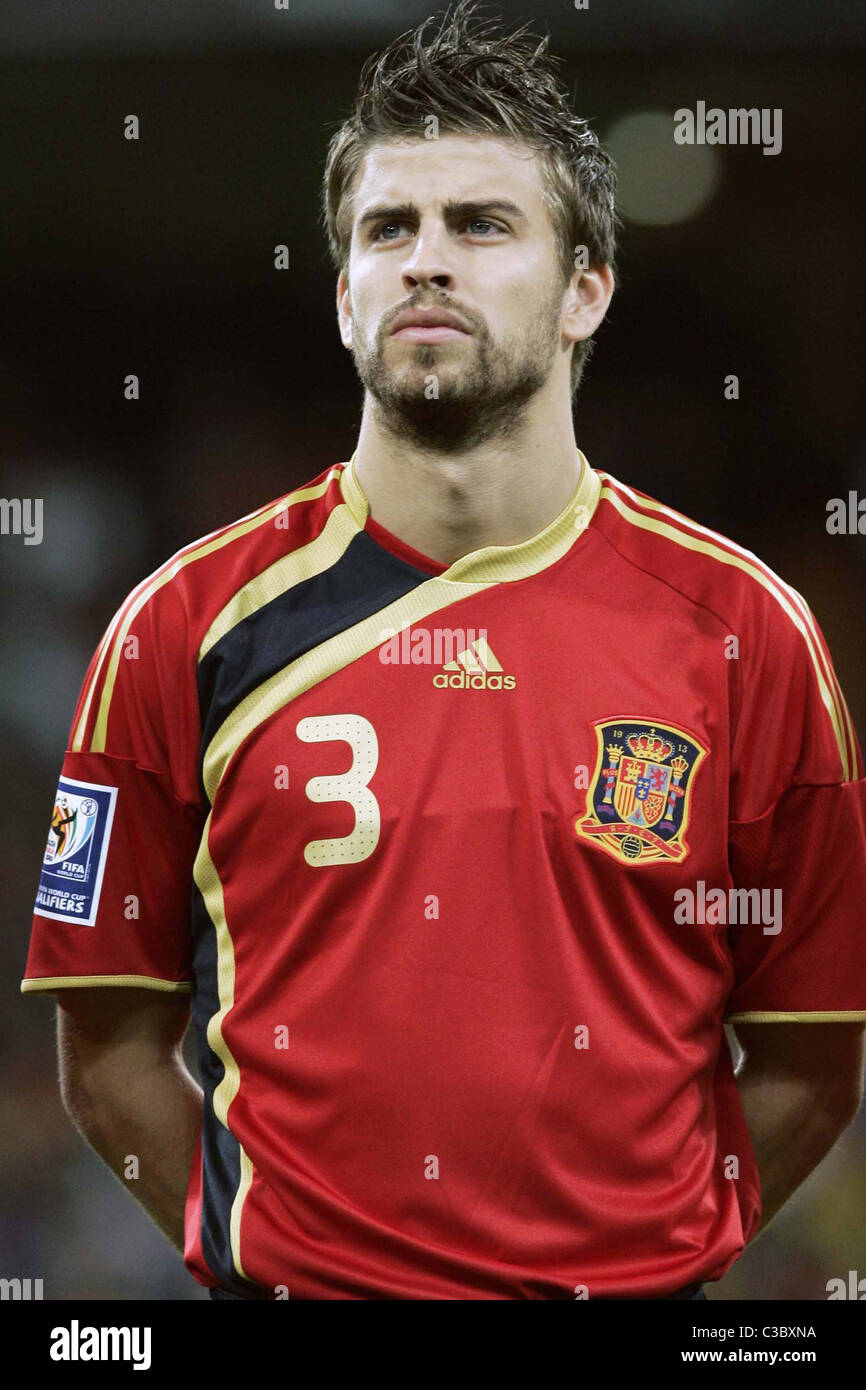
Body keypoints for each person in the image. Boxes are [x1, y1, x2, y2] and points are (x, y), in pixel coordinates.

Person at [21, 1, 866, 1301]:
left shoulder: (745, 633)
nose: (426, 261)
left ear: (586, 289)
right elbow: (107, 1041)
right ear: (344, 288)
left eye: (480, 225)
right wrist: (253, 1256)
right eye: (386, 230)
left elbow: (810, 1055)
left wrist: (645, 1267)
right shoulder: (179, 628)